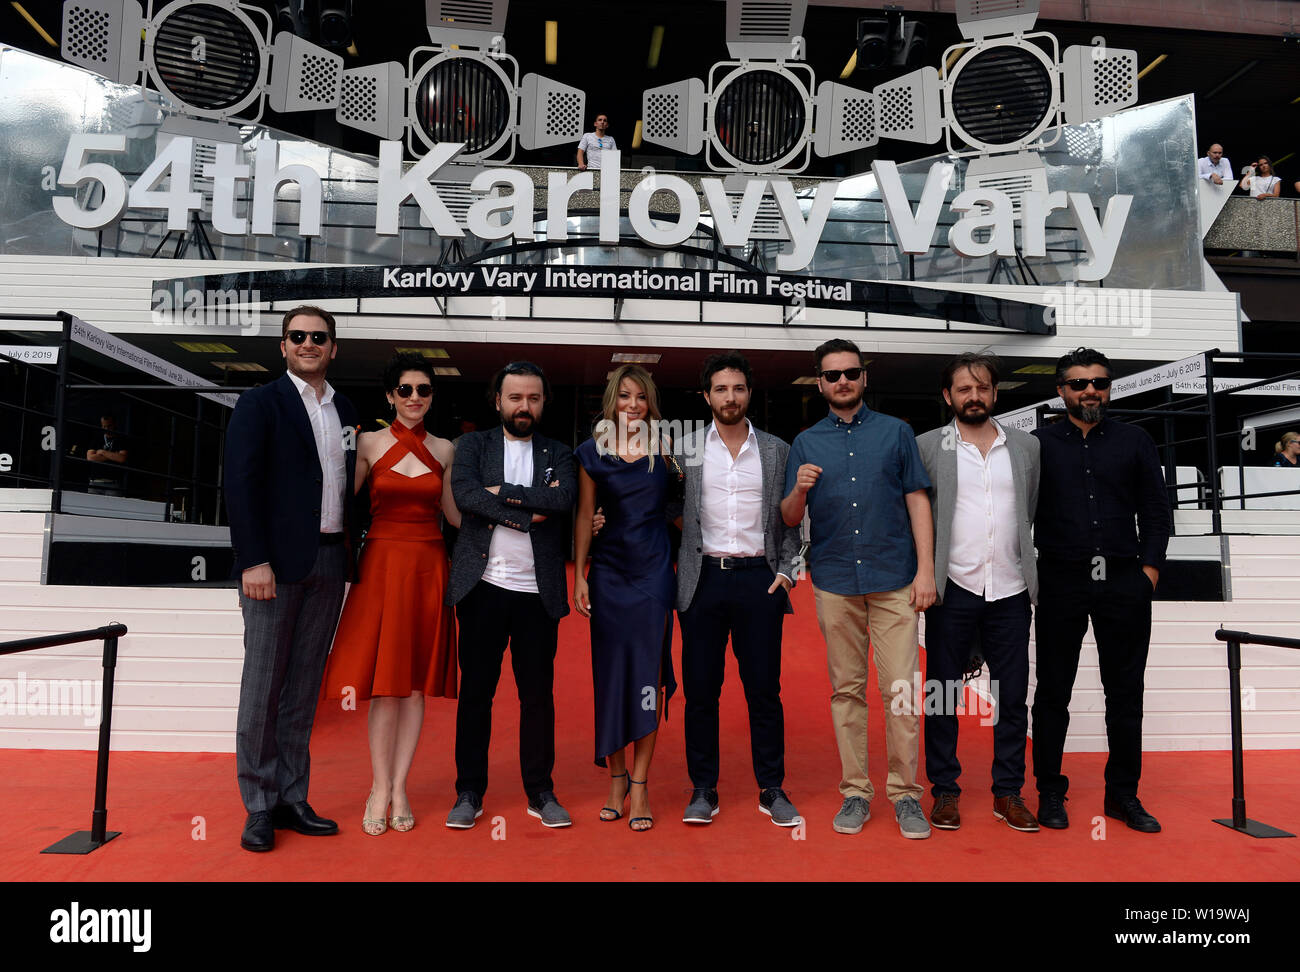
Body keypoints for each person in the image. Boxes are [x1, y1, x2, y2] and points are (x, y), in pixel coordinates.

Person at [780, 338, 936, 840]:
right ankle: (855, 791)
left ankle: (906, 795)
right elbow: (788, 517)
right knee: (846, 692)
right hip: (836, 582)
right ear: (819, 383)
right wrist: (799, 489)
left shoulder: (897, 433)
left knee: (901, 692)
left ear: (864, 377)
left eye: (850, 372)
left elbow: (917, 499)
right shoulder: (805, 442)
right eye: (832, 374)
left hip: (894, 581)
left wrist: (926, 569)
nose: (842, 381)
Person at [224, 305, 359, 853]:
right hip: (273, 568)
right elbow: (240, 483)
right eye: (297, 336)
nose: (308, 343)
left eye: (318, 337)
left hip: (329, 561)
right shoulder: (260, 404)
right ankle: (258, 805)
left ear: (333, 348)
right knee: (263, 685)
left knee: (304, 687)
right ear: (282, 346)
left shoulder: (345, 408)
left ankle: (291, 796)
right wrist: (253, 559)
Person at [1031, 347, 1171, 834]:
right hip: (1061, 579)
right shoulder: (1038, 445)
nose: (1090, 390)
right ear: (1060, 390)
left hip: (1123, 579)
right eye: (1079, 383)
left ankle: (1123, 795)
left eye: (1100, 382)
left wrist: (1148, 573)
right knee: (1052, 691)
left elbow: (1156, 510)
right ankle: (1050, 791)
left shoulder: (1135, 441)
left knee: (1126, 692)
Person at [321, 353, 460, 835]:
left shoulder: (445, 449)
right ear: (390, 395)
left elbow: (456, 515)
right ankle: (379, 787)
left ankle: (401, 785)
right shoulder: (367, 441)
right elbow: (342, 505)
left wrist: (514, 506)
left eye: (424, 390)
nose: (415, 398)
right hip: (381, 564)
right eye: (406, 389)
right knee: (385, 684)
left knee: (415, 684)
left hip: (428, 565)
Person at [444, 362, 576, 829]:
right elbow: (465, 496)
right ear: (497, 400)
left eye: (534, 399)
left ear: (544, 403)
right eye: (516, 398)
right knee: (476, 694)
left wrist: (504, 494)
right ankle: (468, 792)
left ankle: (541, 792)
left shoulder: (560, 452)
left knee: (537, 696)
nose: (525, 407)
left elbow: (562, 502)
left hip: (536, 594)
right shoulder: (473, 446)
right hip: (481, 589)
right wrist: (526, 511)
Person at [674, 352, 803, 828]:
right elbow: (661, 508)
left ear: (750, 393)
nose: (731, 397)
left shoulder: (777, 450)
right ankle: (703, 789)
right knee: (701, 692)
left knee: (765, 691)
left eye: (739, 388)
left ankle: (772, 788)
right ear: (707, 396)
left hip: (760, 581)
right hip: (702, 580)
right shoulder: (683, 449)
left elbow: (794, 519)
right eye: (721, 389)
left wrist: (790, 571)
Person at [915, 352, 1040, 834]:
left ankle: (1008, 793)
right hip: (953, 588)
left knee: (1011, 697)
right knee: (942, 695)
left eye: (982, 388)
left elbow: (1028, 510)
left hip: (1010, 588)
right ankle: (944, 791)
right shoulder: (928, 446)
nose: (974, 396)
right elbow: (919, 513)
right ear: (948, 396)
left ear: (994, 393)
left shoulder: (1026, 448)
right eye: (963, 389)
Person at [573, 365, 678, 832]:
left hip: (655, 573)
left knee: (648, 675)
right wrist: (580, 574)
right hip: (610, 574)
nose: (632, 405)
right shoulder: (590, 452)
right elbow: (582, 514)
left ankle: (640, 784)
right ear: (611, 401)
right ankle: (615, 778)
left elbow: (682, 509)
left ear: (649, 403)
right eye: (624, 397)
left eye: (640, 397)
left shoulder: (668, 449)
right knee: (612, 676)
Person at [86, 414, 129, 496]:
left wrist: (102, 452)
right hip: (94, 483)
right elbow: (90, 458)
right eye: (104, 426)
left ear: (114, 424)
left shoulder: (121, 439)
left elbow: (121, 458)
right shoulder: (97, 438)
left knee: (111, 507)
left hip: (113, 484)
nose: (107, 429)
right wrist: (113, 455)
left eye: (109, 426)